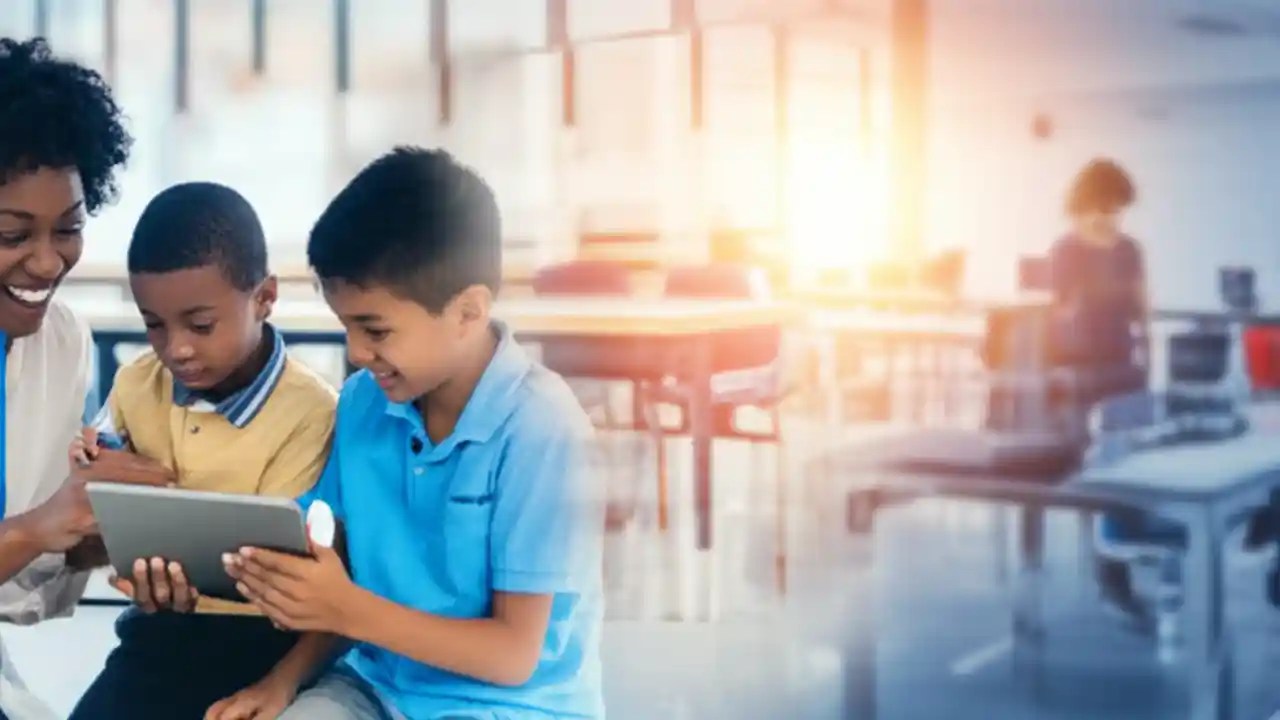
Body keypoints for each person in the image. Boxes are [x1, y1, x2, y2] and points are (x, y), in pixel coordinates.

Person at [216, 148, 604, 719]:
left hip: (508, 706)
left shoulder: (543, 431)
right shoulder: (363, 403)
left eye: (375, 329)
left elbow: (513, 656)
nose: (354, 352)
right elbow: (338, 589)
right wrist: (281, 684)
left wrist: (346, 610)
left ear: (468, 312)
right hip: (377, 690)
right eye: (346, 326)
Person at [67, 182, 338, 719]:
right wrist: (92, 477)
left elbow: (282, 570)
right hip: (154, 638)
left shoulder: (314, 412)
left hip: (264, 647)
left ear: (264, 298)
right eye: (153, 326)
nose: (176, 349)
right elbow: (93, 525)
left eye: (201, 325)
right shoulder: (134, 385)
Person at [0, 36, 177, 719]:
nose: (48, 264)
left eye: (68, 229)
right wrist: (40, 526)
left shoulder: (60, 340)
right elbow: (29, 530)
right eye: (14, 235)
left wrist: (110, 538)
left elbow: (26, 587)